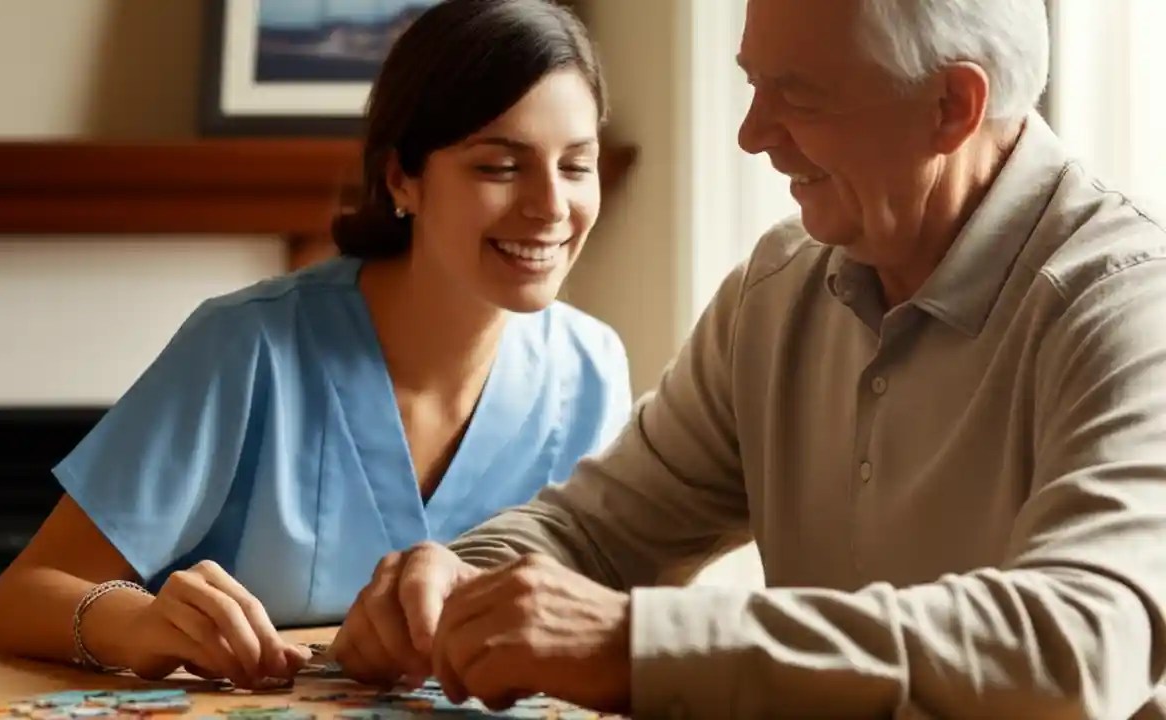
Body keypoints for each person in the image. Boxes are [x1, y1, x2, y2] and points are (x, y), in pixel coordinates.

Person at [331, 0, 1166, 716]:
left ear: (950, 105)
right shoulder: (776, 289)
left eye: (796, 95)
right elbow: (595, 531)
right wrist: (448, 580)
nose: (751, 134)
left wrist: (639, 645)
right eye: (752, 84)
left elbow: (1078, 644)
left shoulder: (1131, 308)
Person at [0, 0, 630, 692]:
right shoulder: (246, 346)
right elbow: (18, 599)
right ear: (401, 178)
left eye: (576, 166)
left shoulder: (592, 371)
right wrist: (137, 623)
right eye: (501, 166)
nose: (551, 205)